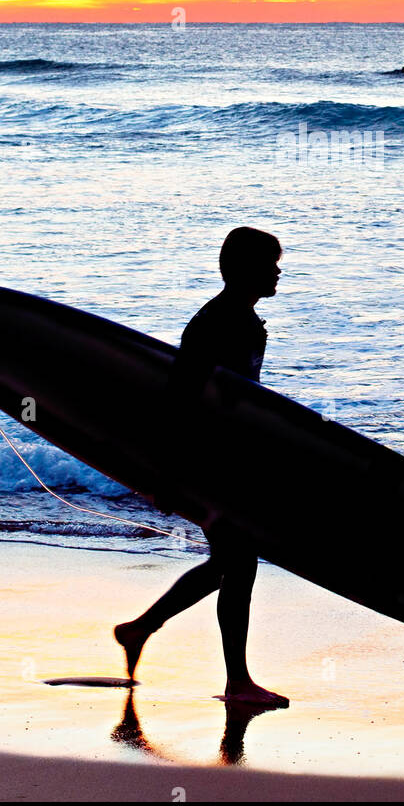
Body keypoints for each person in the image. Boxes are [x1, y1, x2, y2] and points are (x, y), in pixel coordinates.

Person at [114, 227, 288, 708]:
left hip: (227, 458)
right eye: (270, 263)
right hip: (207, 461)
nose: (278, 271)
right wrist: (167, 473)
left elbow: (237, 399)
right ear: (245, 269)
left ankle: (142, 629)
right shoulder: (217, 322)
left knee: (232, 564)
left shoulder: (244, 321)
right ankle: (233, 679)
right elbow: (180, 398)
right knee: (237, 563)